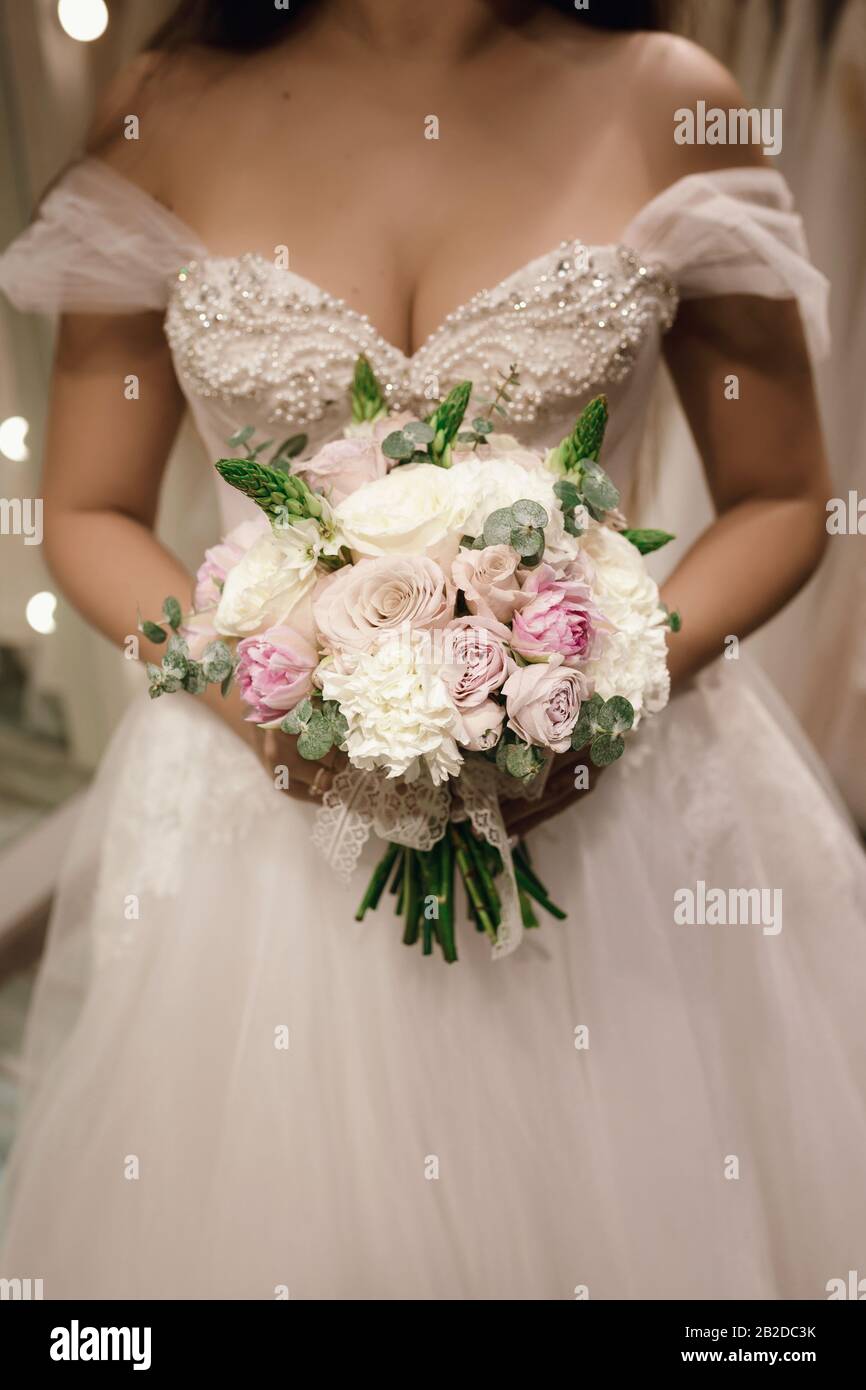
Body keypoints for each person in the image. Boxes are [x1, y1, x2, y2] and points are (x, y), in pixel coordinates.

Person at [1, 0, 864, 1299]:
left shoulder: (668, 99)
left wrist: (601, 683)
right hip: (264, 826)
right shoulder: (164, 109)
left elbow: (784, 492)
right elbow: (87, 510)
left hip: (615, 817)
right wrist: (268, 700)